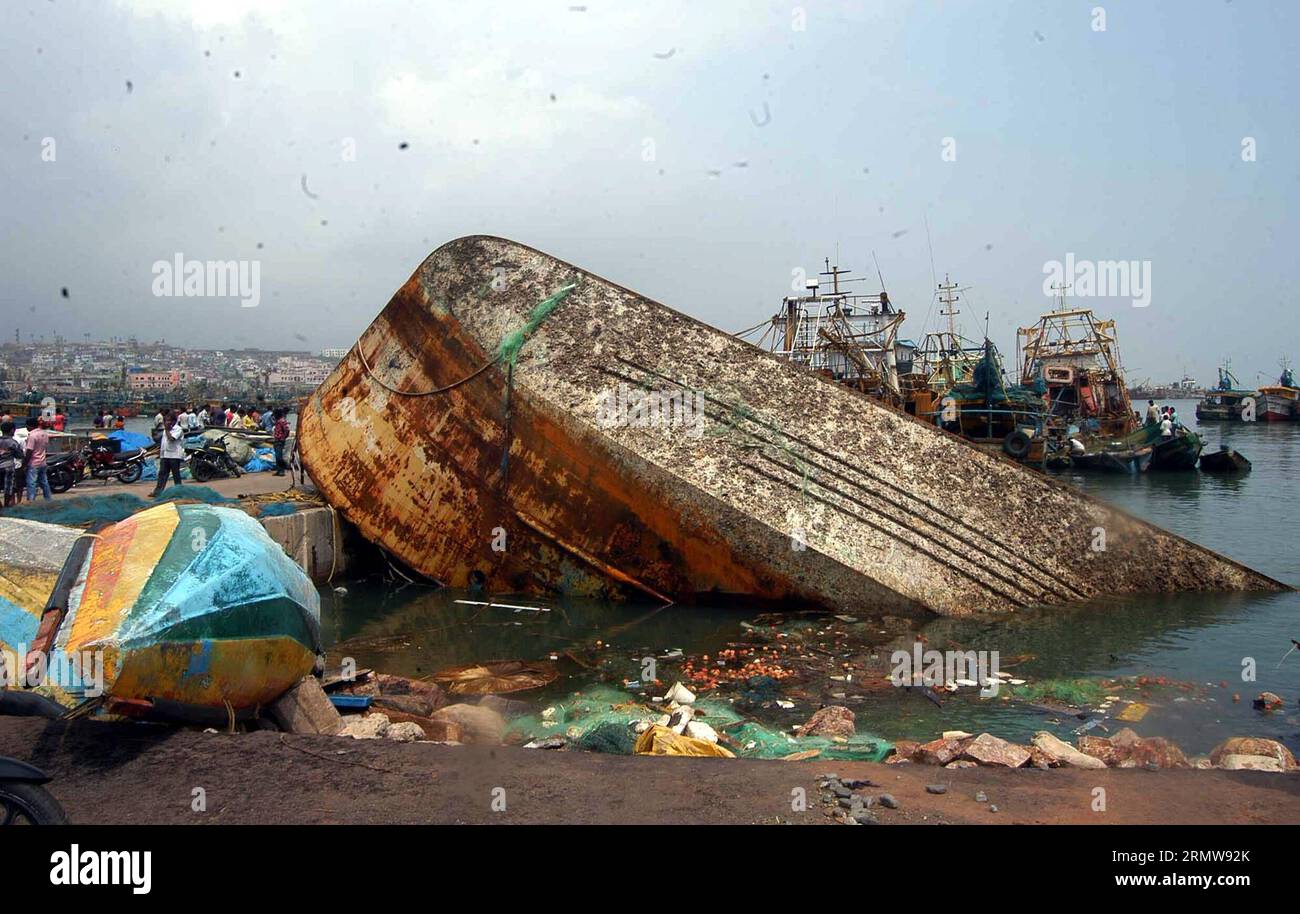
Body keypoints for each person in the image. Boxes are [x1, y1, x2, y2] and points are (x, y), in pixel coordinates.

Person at [151, 410, 186, 497]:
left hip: (174, 455)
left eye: (169, 420)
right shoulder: (165, 430)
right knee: (162, 474)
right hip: (165, 455)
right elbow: (164, 443)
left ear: (174, 421)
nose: (167, 422)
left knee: (176, 474)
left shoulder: (178, 429)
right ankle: (157, 492)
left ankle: (179, 492)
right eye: (166, 420)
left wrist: (167, 430)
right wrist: (161, 454)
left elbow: (171, 439)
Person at [23, 417, 52, 501]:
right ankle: (48, 499)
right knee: (44, 482)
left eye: (27, 426)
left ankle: (31, 500)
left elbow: (29, 451)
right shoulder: (44, 434)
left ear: (30, 426)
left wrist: (24, 464)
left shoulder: (32, 435)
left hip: (33, 463)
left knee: (31, 483)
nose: (26, 428)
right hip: (42, 462)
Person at [0, 421, 23, 507]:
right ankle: (6, 505)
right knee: (8, 487)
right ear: (12, 430)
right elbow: (19, 455)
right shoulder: (13, 442)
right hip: (8, 467)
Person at [272, 408, 290, 476]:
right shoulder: (278, 421)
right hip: (276, 440)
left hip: (280, 440)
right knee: (277, 456)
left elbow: (287, 430)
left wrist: (283, 437)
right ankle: (278, 470)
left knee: (279, 456)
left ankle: (282, 471)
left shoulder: (281, 421)